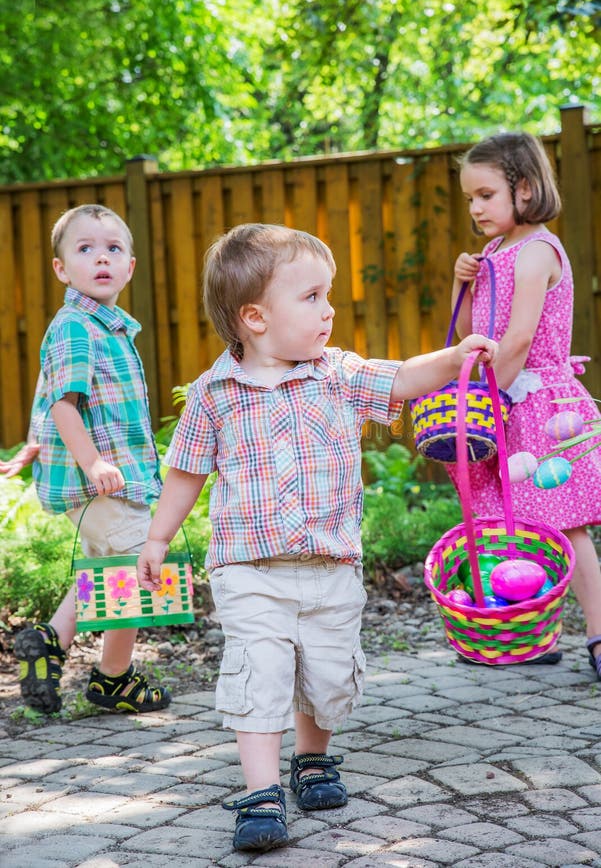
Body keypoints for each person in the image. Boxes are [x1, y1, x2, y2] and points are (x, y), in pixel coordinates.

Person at [136, 222, 497, 853]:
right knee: (259, 673)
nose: (329, 309)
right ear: (255, 317)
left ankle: (312, 757)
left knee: (326, 677)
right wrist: (157, 539)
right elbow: (186, 472)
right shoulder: (213, 395)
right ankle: (260, 793)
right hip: (249, 569)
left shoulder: (338, 374)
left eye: (327, 295)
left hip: (331, 565)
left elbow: (402, 377)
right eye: (311, 297)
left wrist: (455, 356)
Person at [8, 204, 170, 715]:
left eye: (113, 249)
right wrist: (94, 462)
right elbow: (63, 403)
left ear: (130, 266)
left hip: (109, 480)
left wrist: (34, 442)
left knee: (107, 568)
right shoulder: (77, 327)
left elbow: (47, 391)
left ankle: (48, 641)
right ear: (61, 269)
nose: (101, 258)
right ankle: (113, 677)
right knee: (138, 569)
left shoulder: (105, 328)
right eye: (85, 249)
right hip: (101, 481)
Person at [450, 131, 601, 673]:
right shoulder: (491, 254)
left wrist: (486, 403)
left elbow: (517, 339)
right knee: (509, 522)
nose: (475, 208)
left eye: (486, 195)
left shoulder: (537, 252)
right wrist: (461, 286)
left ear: (526, 189)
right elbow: (468, 336)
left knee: (565, 524)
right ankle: (527, 632)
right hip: (505, 397)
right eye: (470, 198)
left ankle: (599, 633)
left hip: (537, 404)